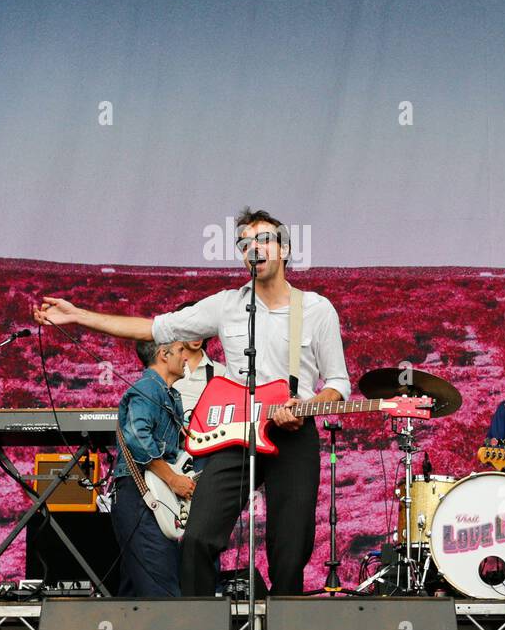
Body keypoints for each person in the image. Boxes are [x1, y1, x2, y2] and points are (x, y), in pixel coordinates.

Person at [33, 207, 350, 596]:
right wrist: (79, 316)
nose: (255, 248)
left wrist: (305, 406)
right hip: (236, 433)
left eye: (265, 239)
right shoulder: (227, 305)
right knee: (198, 538)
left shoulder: (316, 310)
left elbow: (337, 383)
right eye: (245, 243)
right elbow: (153, 327)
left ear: (284, 249)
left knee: (289, 552)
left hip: (293, 432)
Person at [110, 338, 195, 597]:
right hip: (140, 497)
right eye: (181, 351)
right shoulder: (148, 388)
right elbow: (137, 436)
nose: (186, 357)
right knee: (162, 594)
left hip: (146, 496)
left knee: (136, 593)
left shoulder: (167, 393)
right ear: (163, 354)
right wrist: (172, 478)